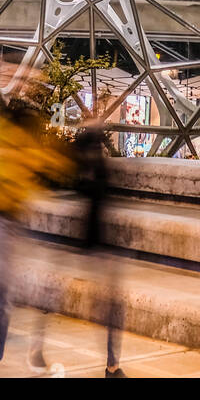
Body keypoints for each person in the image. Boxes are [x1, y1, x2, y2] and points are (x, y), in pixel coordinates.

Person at [0, 100, 72, 379]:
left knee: (8, 298)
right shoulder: (18, 148)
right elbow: (51, 166)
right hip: (1, 225)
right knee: (3, 301)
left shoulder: (7, 143)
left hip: (3, 224)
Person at [70, 124, 126, 379]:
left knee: (111, 309)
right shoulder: (94, 168)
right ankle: (112, 366)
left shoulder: (86, 170)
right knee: (112, 309)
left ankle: (112, 365)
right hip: (98, 247)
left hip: (95, 245)